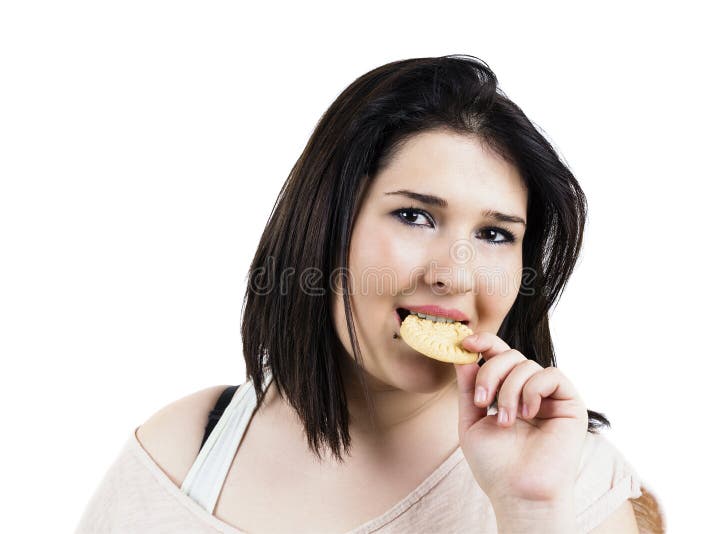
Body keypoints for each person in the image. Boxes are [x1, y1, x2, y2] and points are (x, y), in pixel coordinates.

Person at [76, 55, 665, 533]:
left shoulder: (571, 486)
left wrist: (529, 512)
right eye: (413, 216)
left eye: (493, 234)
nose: (454, 274)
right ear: (326, 229)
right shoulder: (182, 451)